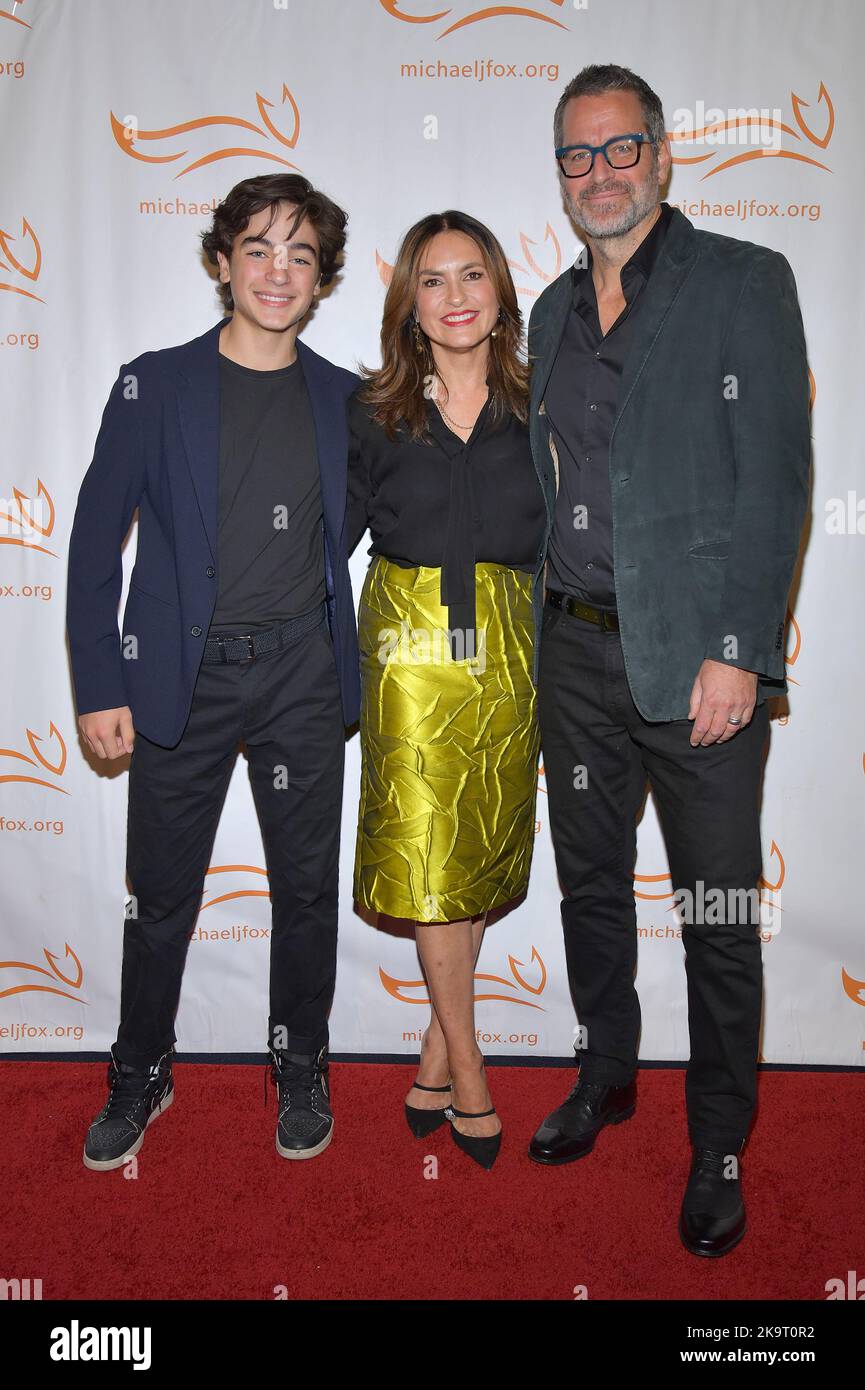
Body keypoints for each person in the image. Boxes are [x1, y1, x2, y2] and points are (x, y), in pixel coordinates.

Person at [526, 66, 810, 1254]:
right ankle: (606, 1071)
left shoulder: (744, 281)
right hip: (574, 662)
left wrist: (737, 651)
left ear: (661, 152)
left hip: (700, 671)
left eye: (620, 147)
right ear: (561, 174)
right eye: (578, 156)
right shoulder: (544, 311)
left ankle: (721, 1140)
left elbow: (776, 481)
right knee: (591, 894)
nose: (601, 172)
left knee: (713, 912)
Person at [66, 173, 360, 1169]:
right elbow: (94, 543)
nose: (279, 271)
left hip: (302, 677)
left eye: (302, 255)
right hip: (179, 681)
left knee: (308, 889)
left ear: (322, 279)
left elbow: (357, 531)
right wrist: (101, 680)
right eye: (260, 249)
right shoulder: (153, 384)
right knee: (160, 895)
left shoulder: (345, 399)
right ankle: (140, 1069)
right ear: (220, 259)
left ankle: (300, 1061)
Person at [346, 211, 546, 1170]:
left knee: (475, 850)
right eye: (434, 280)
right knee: (427, 861)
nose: (457, 297)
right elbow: (321, 541)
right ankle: (469, 1065)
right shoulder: (371, 410)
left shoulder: (543, 401)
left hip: (510, 646)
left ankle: (431, 1048)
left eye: (474, 276)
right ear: (409, 304)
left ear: (501, 292)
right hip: (409, 652)